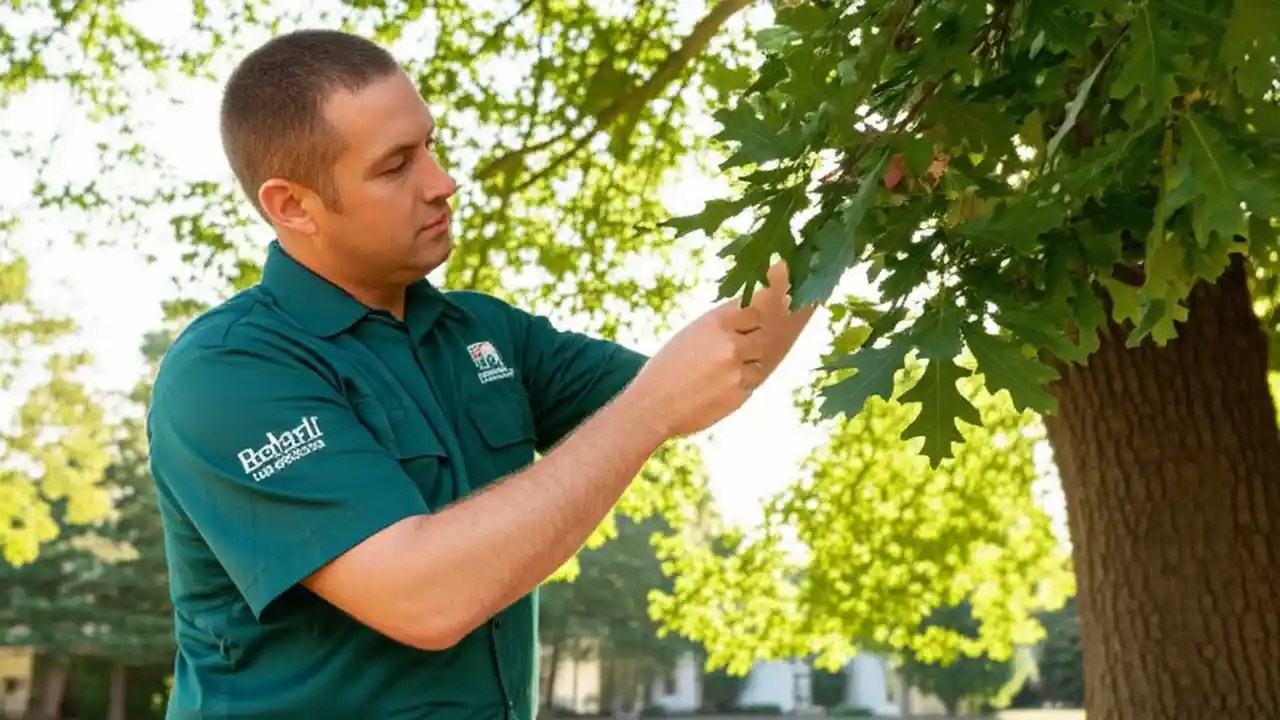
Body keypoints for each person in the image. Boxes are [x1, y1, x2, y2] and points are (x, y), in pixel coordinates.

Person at [146, 28, 815, 719]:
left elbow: (717, 370)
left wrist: (853, 206)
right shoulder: (229, 373)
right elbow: (424, 597)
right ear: (292, 205)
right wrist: (646, 413)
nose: (442, 183)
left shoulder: (486, 333)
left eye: (431, 146)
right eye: (395, 165)